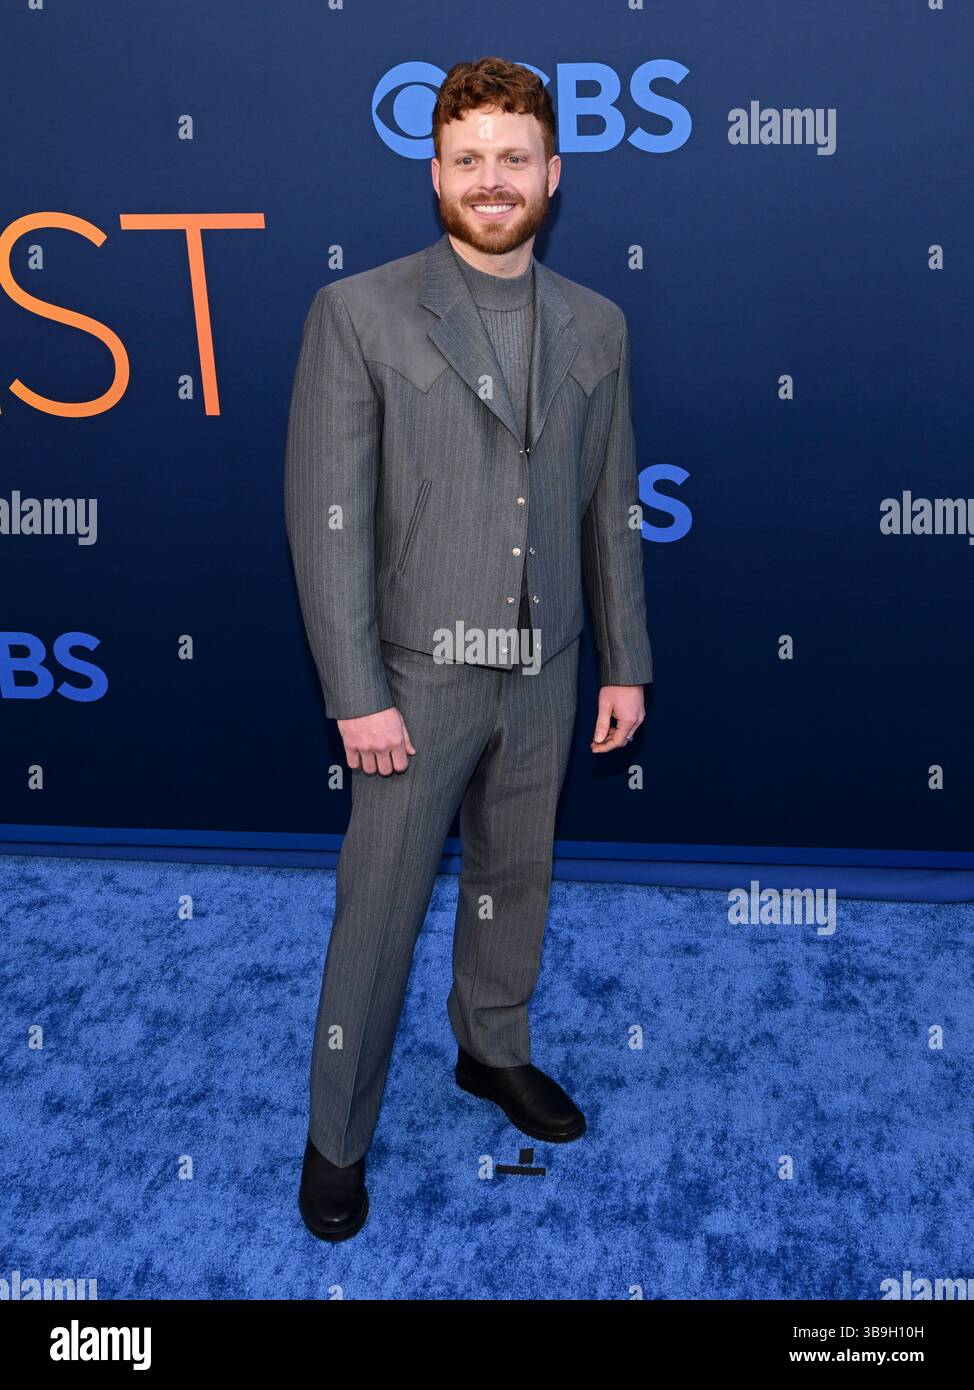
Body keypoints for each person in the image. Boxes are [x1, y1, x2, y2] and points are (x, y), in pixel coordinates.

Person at [284, 56, 653, 1241]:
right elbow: (322, 514)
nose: (489, 181)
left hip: (546, 672)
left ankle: (490, 1050)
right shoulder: (360, 312)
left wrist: (625, 660)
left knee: (515, 878)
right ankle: (334, 1136)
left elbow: (611, 506)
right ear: (432, 173)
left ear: (553, 173)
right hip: (413, 680)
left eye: (512, 159)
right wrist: (357, 693)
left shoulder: (597, 322)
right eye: (466, 160)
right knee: (376, 912)